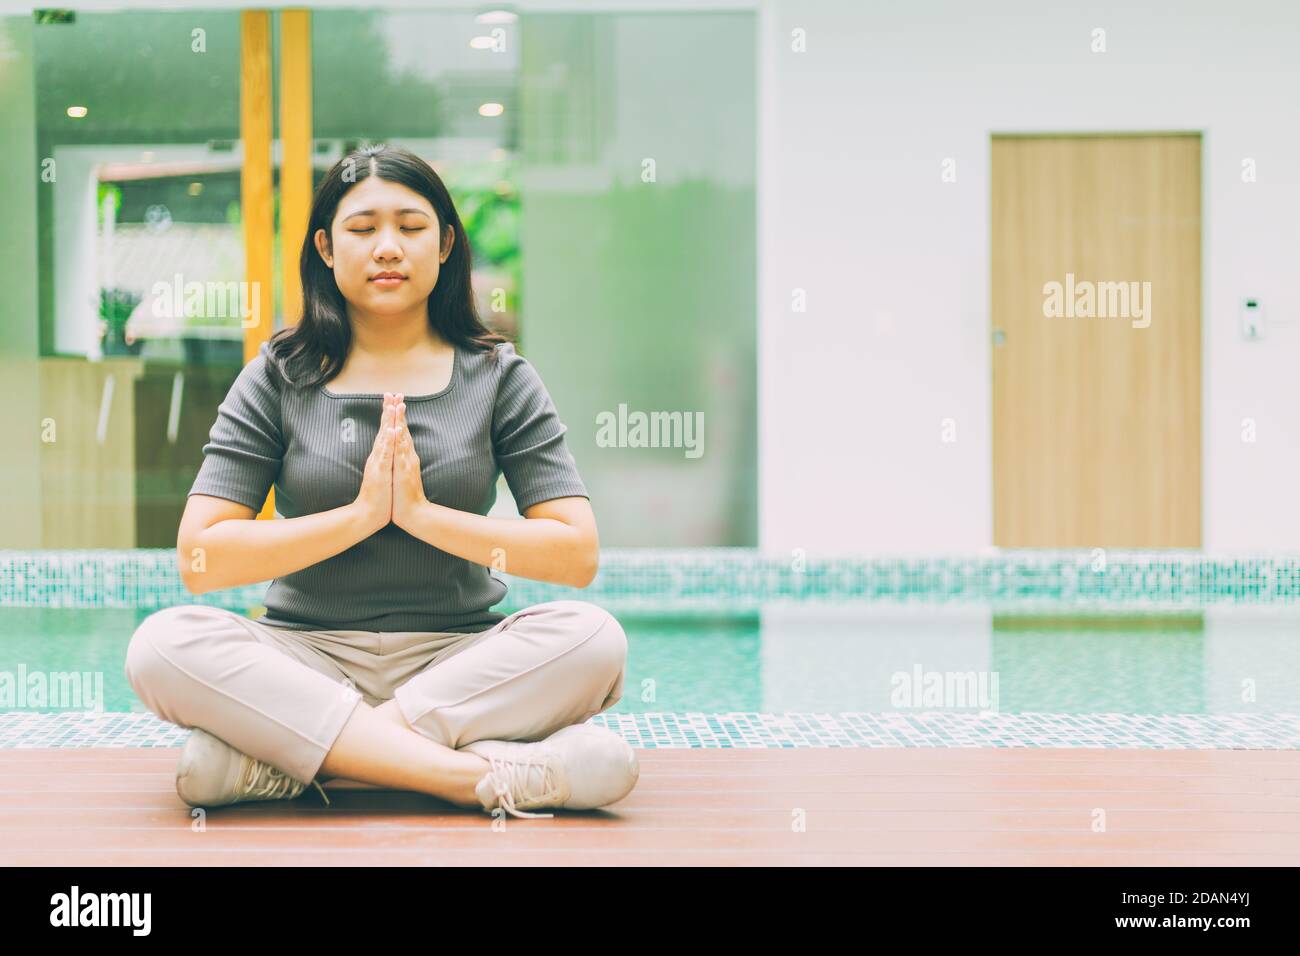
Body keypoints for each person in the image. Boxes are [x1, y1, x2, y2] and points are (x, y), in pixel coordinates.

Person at [125, 144, 638, 820]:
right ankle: (475, 777)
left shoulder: (500, 379)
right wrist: (361, 517)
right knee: (162, 645)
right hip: (305, 658)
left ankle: (288, 764)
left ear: (447, 243)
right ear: (327, 249)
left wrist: (422, 516)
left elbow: (576, 554)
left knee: (594, 639)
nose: (388, 247)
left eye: (411, 226)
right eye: (363, 229)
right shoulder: (279, 377)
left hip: (457, 662)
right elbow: (200, 558)